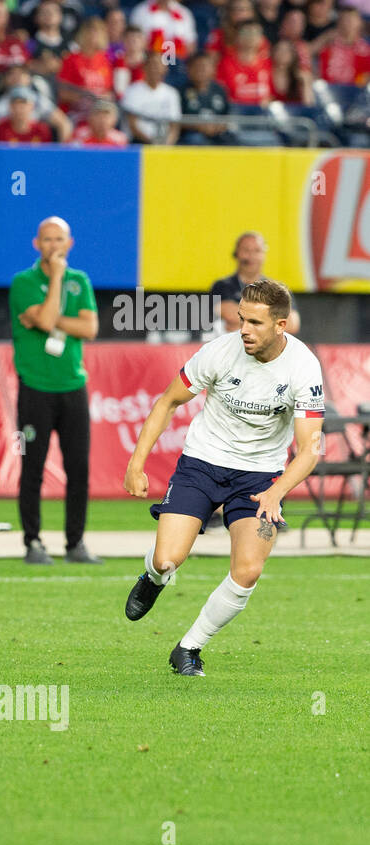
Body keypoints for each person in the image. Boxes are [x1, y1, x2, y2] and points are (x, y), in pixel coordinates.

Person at [122, 278, 324, 676]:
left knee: (248, 569)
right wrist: (136, 462)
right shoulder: (219, 351)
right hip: (202, 463)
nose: (244, 330)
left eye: (256, 323)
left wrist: (277, 491)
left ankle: (189, 648)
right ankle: (153, 576)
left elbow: (310, 448)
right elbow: (167, 401)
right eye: (241, 319)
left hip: (260, 478)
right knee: (167, 559)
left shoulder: (304, 367)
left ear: (281, 326)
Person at [9, 216, 101, 565]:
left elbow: (90, 327)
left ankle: (75, 543)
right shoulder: (23, 281)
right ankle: (33, 541)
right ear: (37, 244)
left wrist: (48, 319)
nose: (53, 246)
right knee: (32, 466)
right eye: (47, 239)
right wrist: (56, 284)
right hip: (35, 387)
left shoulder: (82, 280)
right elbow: (47, 321)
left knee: (79, 468)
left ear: (69, 243)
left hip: (73, 385)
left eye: (59, 239)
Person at [209, 231, 300, 333]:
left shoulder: (278, 289)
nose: (251, 256)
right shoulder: (222, 285)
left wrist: (243, 322)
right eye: (246, 250)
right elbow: (228, 314)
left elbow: (292, 324)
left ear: (263, 255)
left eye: (257, 251)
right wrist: (271, 321)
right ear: (236, 253)